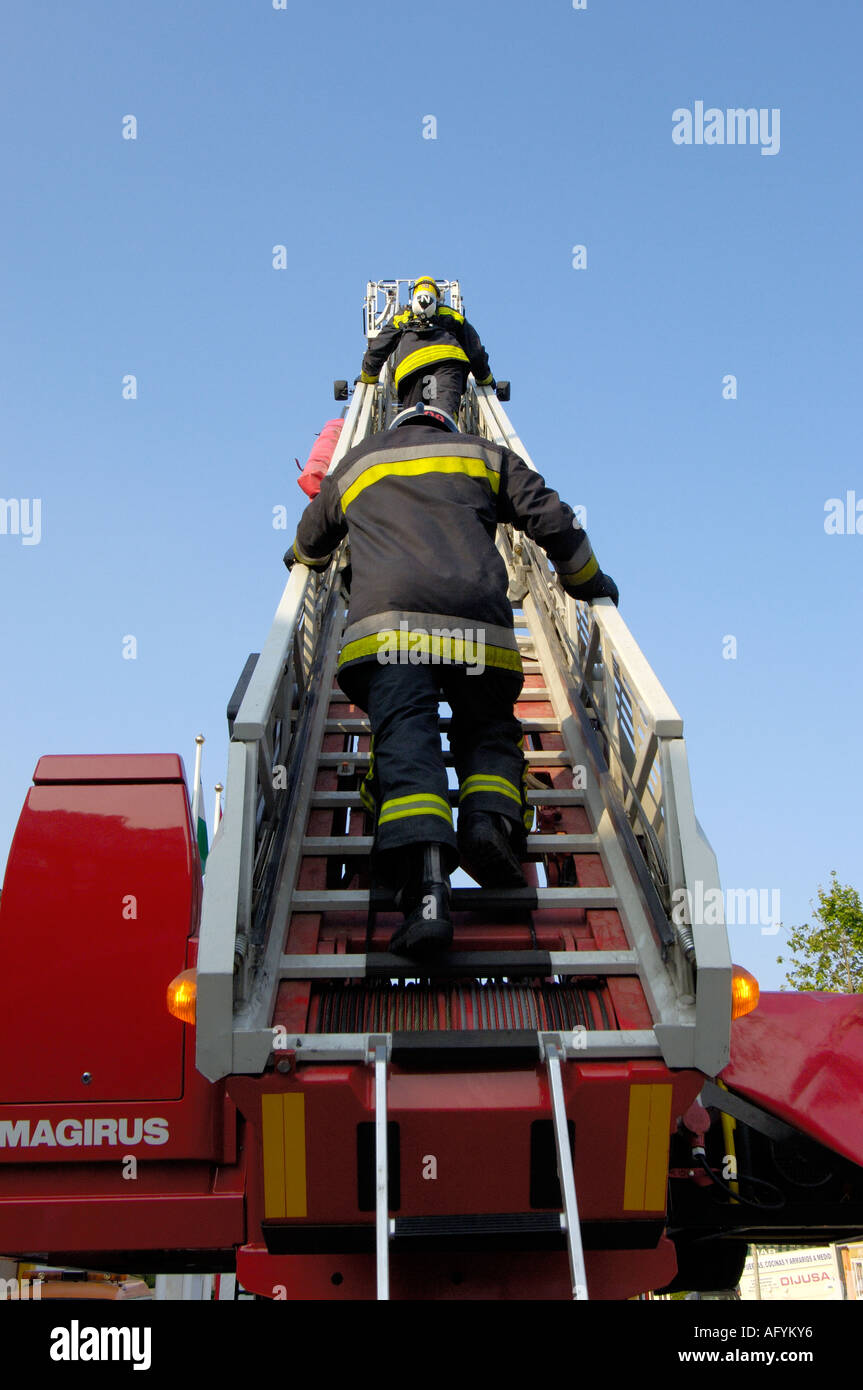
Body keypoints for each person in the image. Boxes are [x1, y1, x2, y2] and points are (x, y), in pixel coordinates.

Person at [284, 403, 618, 957]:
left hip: (390, 633)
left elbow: (310, 541)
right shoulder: (485, 455)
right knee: (487, 727)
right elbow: (553, 519)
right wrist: (587, 581)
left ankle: (427, 897)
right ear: (448, 422)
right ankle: (488, 823)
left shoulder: (358, 464)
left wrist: (296, 557)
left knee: (406, 741)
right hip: (476, 630)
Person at [357, 277, 494, 419]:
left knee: (413, 422)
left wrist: (368, 376)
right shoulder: (453, 315)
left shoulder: (403, 316)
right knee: (444, 417)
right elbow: (475, 351)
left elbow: (380, 346)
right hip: (447, 366)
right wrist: (484, 378)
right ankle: (445, 436)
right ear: (437, 296)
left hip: (411, 369)